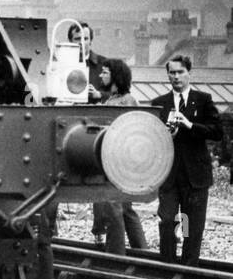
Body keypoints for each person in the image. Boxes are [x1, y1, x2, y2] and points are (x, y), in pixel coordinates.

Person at [153, 55, 222, 264]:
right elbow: (150, 138)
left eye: (180, 72)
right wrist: (164, 135)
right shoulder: (159, 104)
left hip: (195, 176)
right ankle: (167, 267)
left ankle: (188, 271)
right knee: (168, 220)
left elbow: (217, 132)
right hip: (170, 175)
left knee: (190, 227)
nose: (176, 77)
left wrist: (190, 124)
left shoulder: (203, 100)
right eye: (172, 72)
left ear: (189, 73)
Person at [90, 58, 147, 255]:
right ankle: (142, 251)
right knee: (125, 207)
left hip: (118, 160)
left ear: (115, 76)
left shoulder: (127, 101)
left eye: (105, 72)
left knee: (114, 207)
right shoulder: (110, 99)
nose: (101, 75)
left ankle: (116, 254)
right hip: (112, 158)